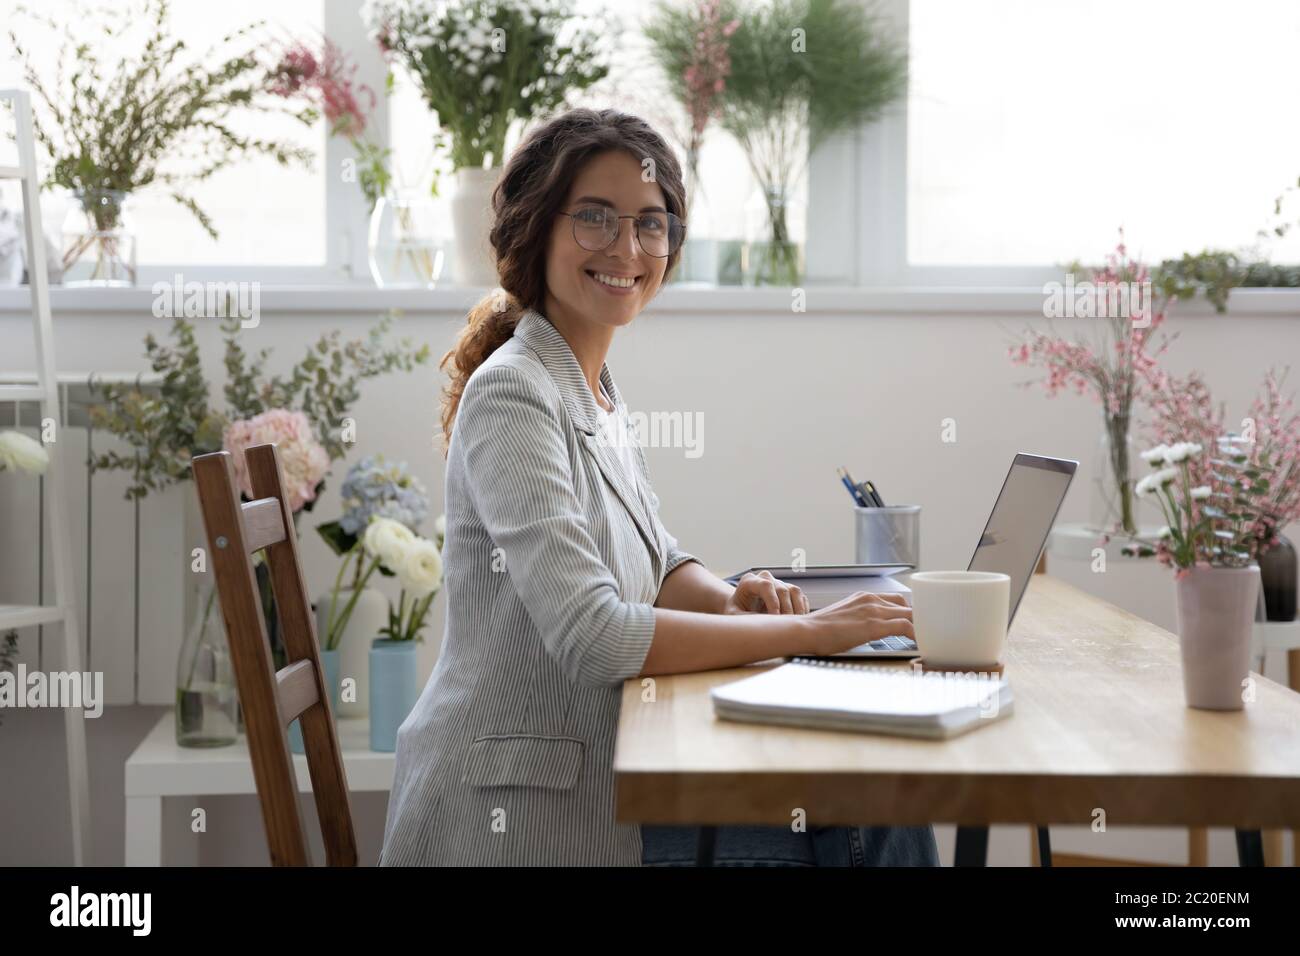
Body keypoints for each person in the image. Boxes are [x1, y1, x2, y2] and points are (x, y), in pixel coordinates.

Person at [379, 108, 938, 867]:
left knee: (879, 803)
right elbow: (597, 634)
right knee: (871, 819)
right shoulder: (512, 394)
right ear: (537, 229)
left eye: (651, 223)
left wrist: (729, 598)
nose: (627, 247)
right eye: (595, 219)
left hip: (597, 780)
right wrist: (812, 633)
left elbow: (659, 559)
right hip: (515, 814)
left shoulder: (589, 384)